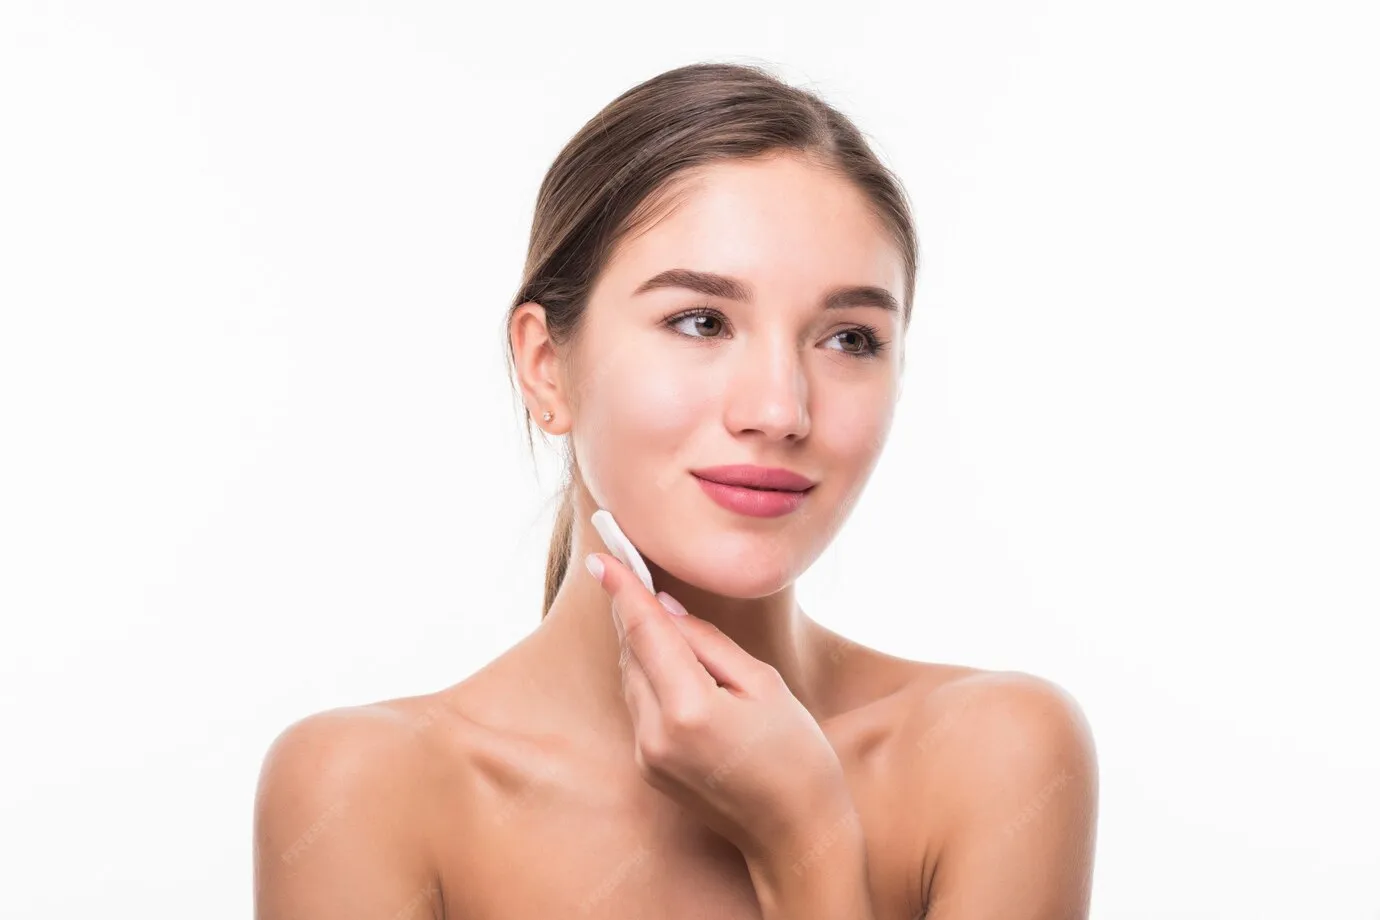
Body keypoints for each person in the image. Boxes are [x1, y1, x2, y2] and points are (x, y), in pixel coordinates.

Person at [253, 61, 1098, 920]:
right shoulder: (365, 790)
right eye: (701, 322)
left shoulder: (996, 754)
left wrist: (806, 841)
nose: (780, 409)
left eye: (849, 338)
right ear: (546, 367)